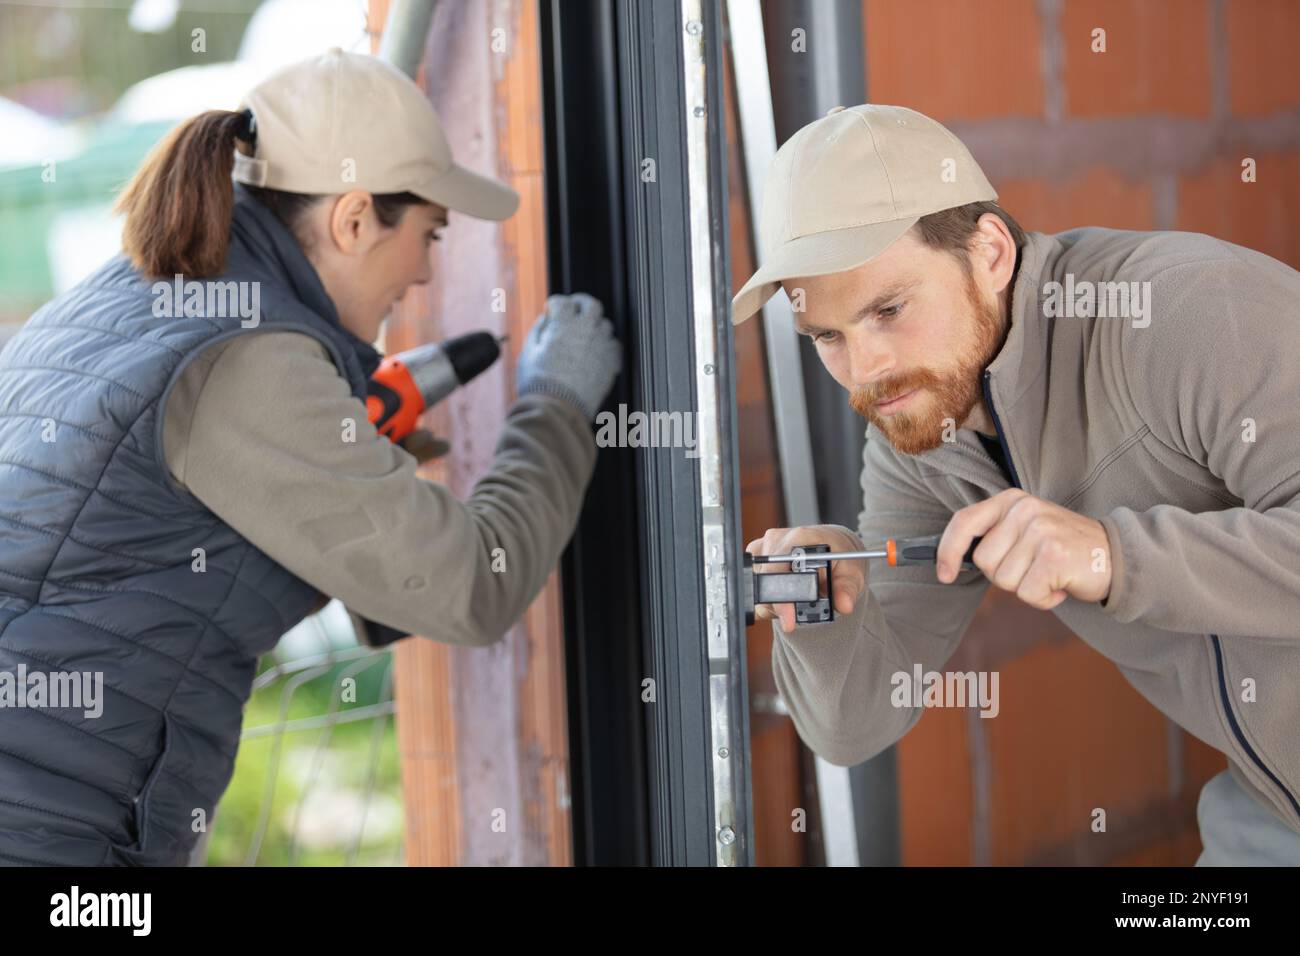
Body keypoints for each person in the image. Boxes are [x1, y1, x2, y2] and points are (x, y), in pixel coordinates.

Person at [0, 49, 619, 866]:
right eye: (429, 234)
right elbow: (472, 583)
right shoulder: (250, 362)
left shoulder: (121, 296)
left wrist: (354, 448)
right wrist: (557, 406)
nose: (428, 271)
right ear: (355, 219)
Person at [737, 104, 1300, 866]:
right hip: (1272, 811)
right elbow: (855, 726)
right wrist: (834, 613)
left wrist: (1109, 556)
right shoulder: (919, 438)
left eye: (889, 309)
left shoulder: (1185, 313)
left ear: (990, 252)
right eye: (828, 337)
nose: (865, 370)